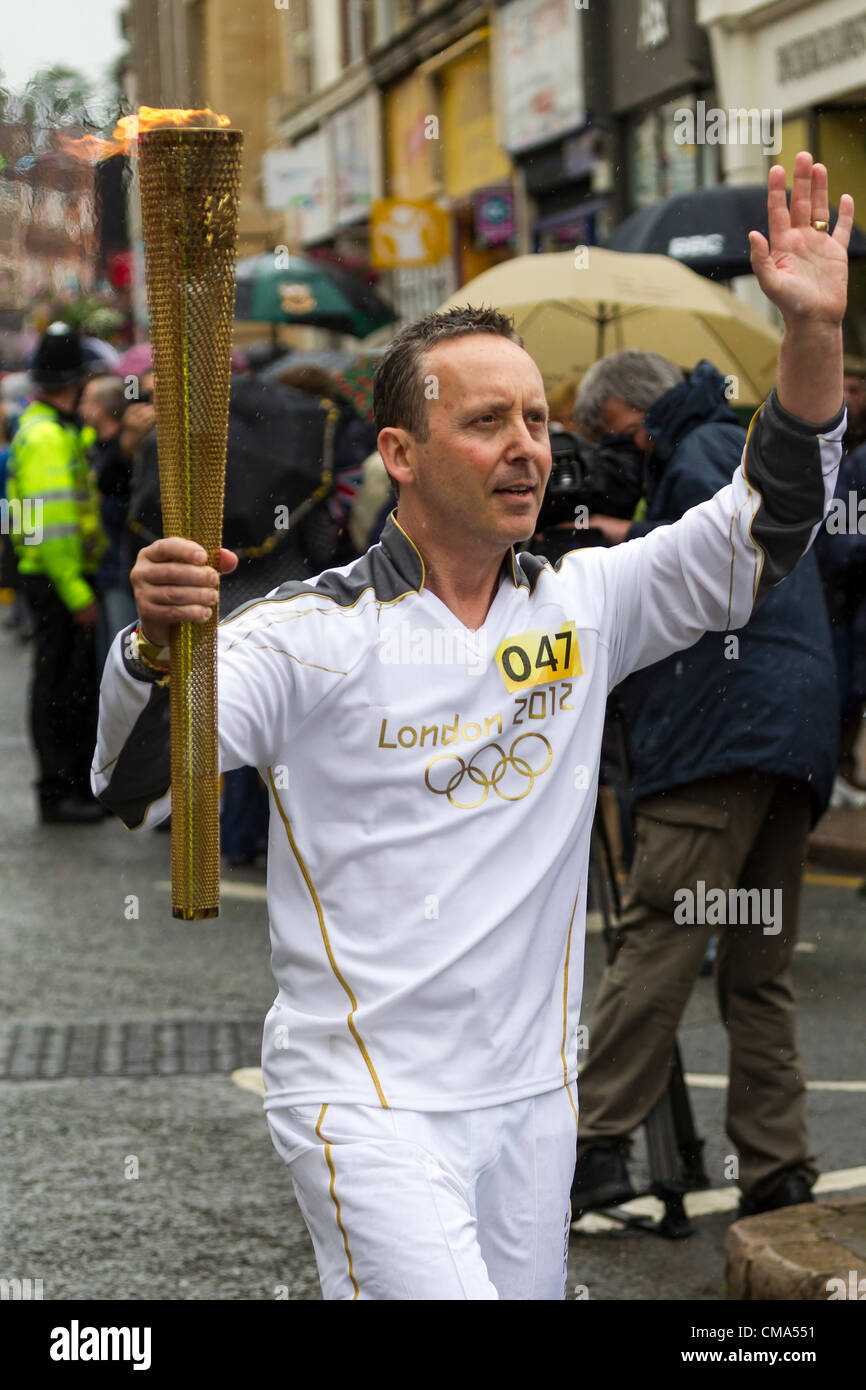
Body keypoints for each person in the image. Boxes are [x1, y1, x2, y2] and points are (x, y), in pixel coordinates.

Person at [93, 157, 851, 1298]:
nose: (526, 446)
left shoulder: (585, 600)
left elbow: (769, 524)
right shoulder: (309, 633)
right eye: (486, 420)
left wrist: (808, 335)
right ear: (398, 454)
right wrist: (157, 649)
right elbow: (142, 787)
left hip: (533, 1099)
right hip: (367, 1103)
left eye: (536, 418)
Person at [569, 346, 838, 1218]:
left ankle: (594, 1147)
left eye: (599, 432)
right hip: (790, 737)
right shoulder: (721, 446)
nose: (603, 452)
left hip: (717, 730)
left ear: (627, 414)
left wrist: (626, 542)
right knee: (757, 969)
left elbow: (714, 571)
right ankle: (778, 1168)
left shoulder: (698, 455)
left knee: (659, 937)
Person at [7, 323, 106, 823]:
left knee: (65, 684)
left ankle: (68, 788)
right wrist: (74, 591)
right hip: (57, 579)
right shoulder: (46, 437)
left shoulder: (47, 429)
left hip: (50, 577)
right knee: (62, 688)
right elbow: (53, 525)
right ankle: (60, 792)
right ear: (77, 383)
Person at [78, 373, 139, 670]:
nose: (79, 406)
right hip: (106, 567)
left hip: (121, 569)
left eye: (87, 400)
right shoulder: (95, 446)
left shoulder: (126, 452)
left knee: (121, 658)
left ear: (100, 408)